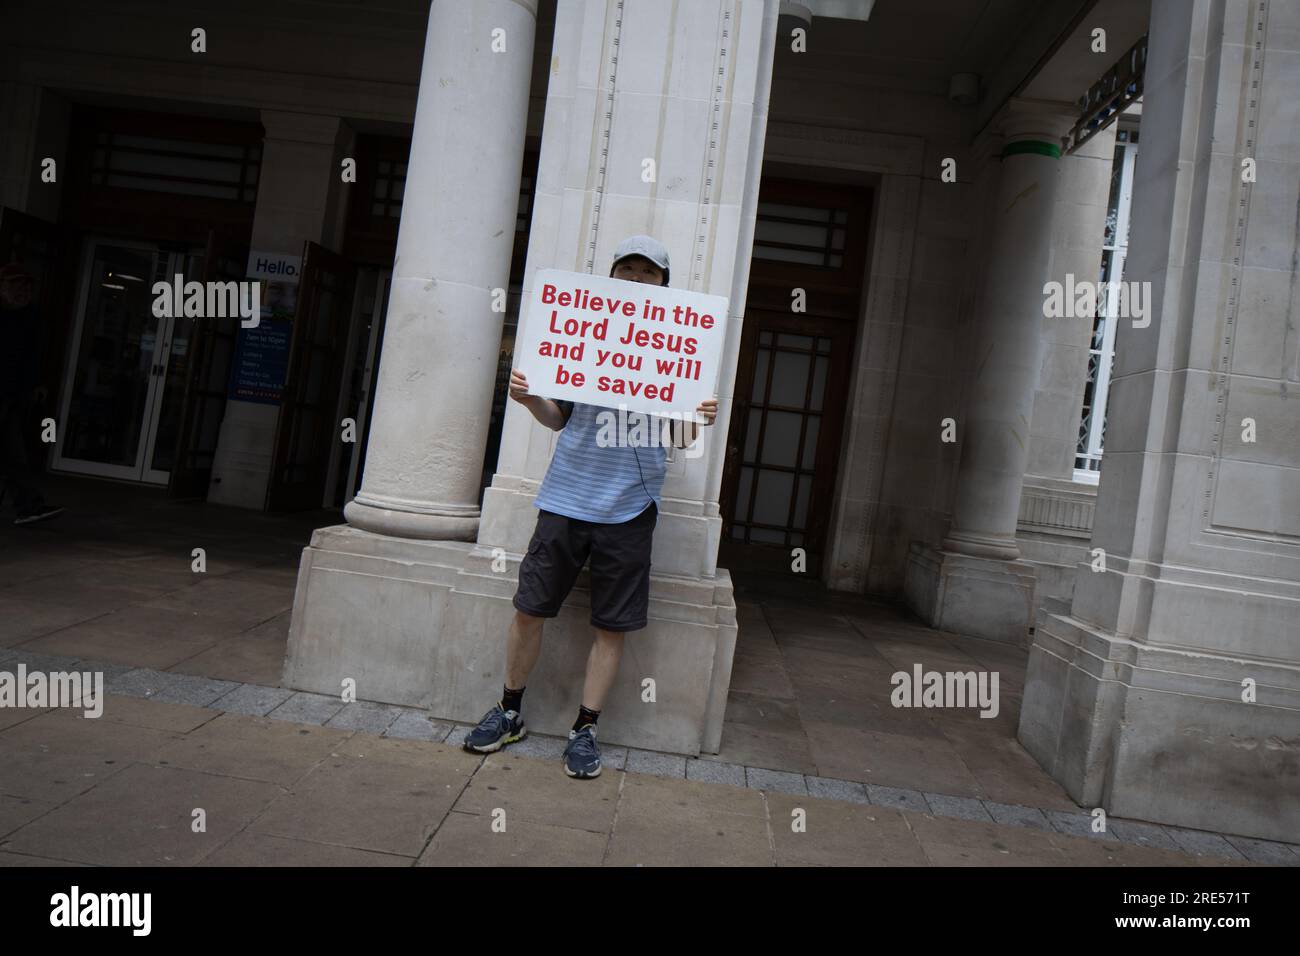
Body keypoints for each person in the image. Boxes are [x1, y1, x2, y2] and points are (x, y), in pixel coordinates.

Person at [463, 235, 718, 778]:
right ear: (610, 276)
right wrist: (530, 398)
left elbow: (682, 435)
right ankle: (510, 711)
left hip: (631, 507)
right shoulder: (581, 333)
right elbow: (560, 418)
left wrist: (700, 413)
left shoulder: (678, 346)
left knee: (611, 626)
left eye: (647, 272)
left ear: (663, 285)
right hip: (565, 498)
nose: (634, 278)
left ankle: (585, 728)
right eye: (625, 268)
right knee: (530, 609)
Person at [0, 263, 63, 526]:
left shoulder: (31, 317)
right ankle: (28, 506)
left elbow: (32, 356)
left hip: (12, 394)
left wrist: (37, 384)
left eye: (26, 286)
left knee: (13, 454)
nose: (21, 291)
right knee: (11, 454)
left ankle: (28, 506)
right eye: (15, 285)